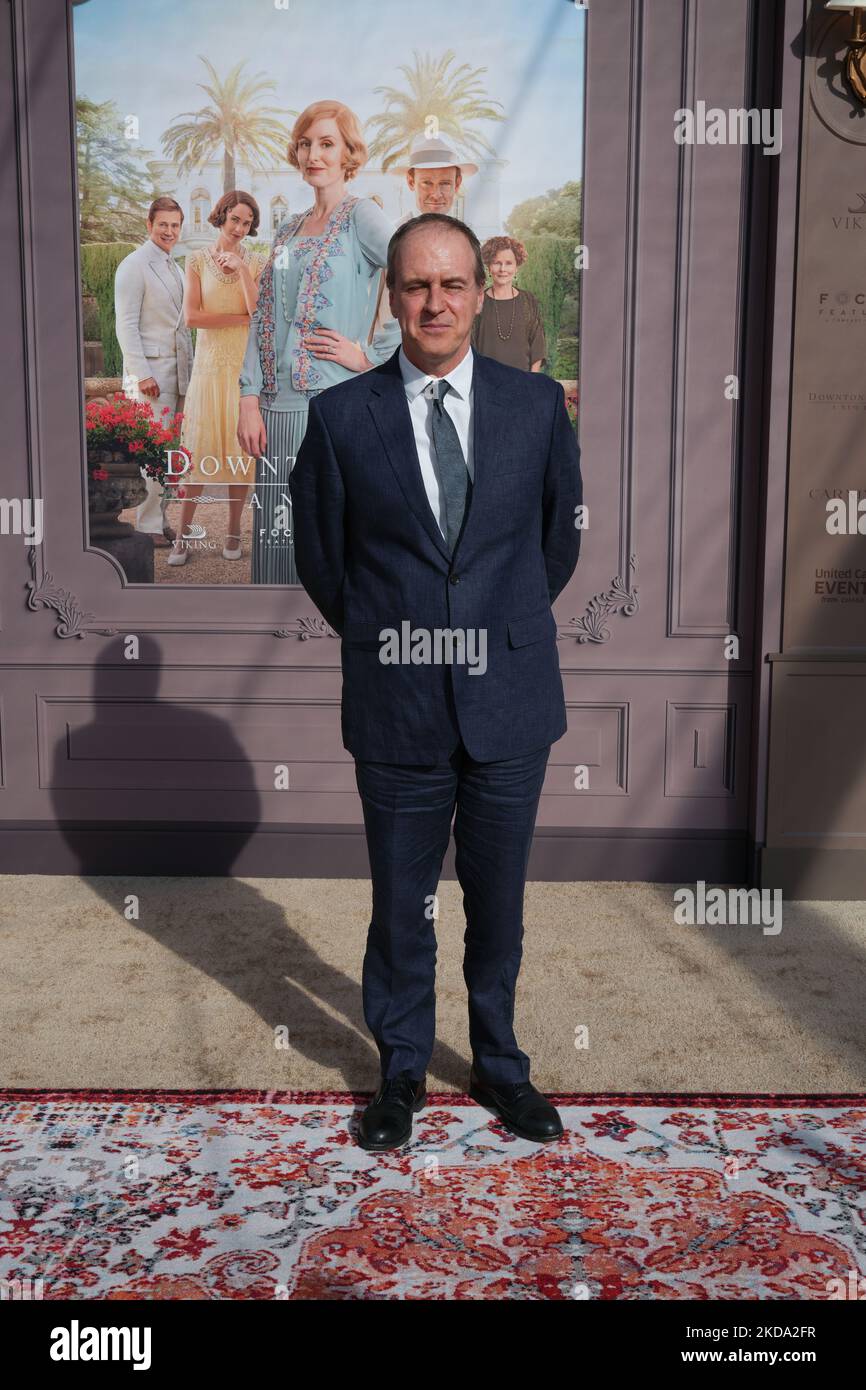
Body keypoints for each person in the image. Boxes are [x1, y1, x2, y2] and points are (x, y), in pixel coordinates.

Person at [289, 213, 582, 1152]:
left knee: (498, 903)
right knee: (400, 903)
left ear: (480, 290)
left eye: (453, 283)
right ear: (393, 296)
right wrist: (396, 641)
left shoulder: (537, 409)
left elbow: (555, 545)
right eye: (416, 286)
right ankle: (401, 1072)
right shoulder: (340, 417)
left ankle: (500, 1064)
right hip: (398, 708)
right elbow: (325, 562)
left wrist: (493, 631)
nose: (435, 302)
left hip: (510, 705)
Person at [237, 100, 401, 584]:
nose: (314, 154)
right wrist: (248, 396)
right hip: (273, 410)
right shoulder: (287, 230)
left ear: (348, 152)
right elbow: (264, 315)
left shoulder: (362, 217)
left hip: (332, 406)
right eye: (306, 143)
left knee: (326, 546)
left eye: (327, 143)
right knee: (276, 541)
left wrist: (373, 357)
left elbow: (414, 276)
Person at [168, 192, 267, 568]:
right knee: (199, 454)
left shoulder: (256, 262)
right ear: (221, 217)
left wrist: (241, 269)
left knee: (240, 454)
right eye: (235, 220)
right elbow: (192, 317)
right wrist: (241, 321)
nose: (240, 228)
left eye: (246, 222)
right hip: (209, 370)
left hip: (243, 371)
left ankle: (232, 532)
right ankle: (182, 536)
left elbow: (259, 310)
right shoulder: (195, 260)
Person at [114, 197, 194, 547]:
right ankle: (146, 528)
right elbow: (126, 325)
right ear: (149, 225)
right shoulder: (134, 265)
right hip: (150, 379)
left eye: (175, 225)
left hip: (177, 378)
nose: (169, 231)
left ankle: (159, 521)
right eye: (163, 224)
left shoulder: (175, 267)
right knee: (151, 457)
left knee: (168, 459)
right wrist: (142, 373)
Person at [368, 134, 478, 343]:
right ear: (411, 181)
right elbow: (373, 308)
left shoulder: (467, 244)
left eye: (444, 183)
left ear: (457, 183)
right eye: (427, 183)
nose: (436, 194)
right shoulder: (388, 237)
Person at [471, 235, 546, 372]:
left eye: (509, 263)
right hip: (486, 381)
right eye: (497, 263)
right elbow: (471, 347)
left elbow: (537, 345)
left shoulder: (528, 300)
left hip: (522, 383)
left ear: (517, 267)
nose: (502, 269)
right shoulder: (478, 301)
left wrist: (533, 382)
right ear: (488, 266)